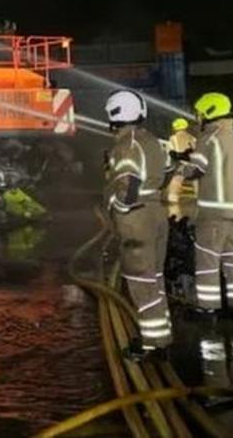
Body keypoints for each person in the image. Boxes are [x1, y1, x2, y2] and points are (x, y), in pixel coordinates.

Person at [103, 89, 174, 355]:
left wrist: (121, 208)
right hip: (156, 213)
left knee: (142, 285)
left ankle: (153, 344)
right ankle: (162, 337)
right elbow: (167, 170)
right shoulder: (152, 140)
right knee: (155, 280)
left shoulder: (126, 145)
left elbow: (129, 183)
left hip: (137, 220)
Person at [187, 92, 233, 315]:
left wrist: (179, 164)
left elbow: (195, 170)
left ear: (209, 113)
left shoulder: (208, 139)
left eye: (199, 114)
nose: (198, 119)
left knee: (208, 261)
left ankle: (208, 308)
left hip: (213, 214)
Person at [165, 117, 197, 219]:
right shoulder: (192, 138)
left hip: (180, 166)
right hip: (193, 166)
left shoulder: (173, 138)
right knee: (198, 190)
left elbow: (170, 154)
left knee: (173, 193)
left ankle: (176, 217)